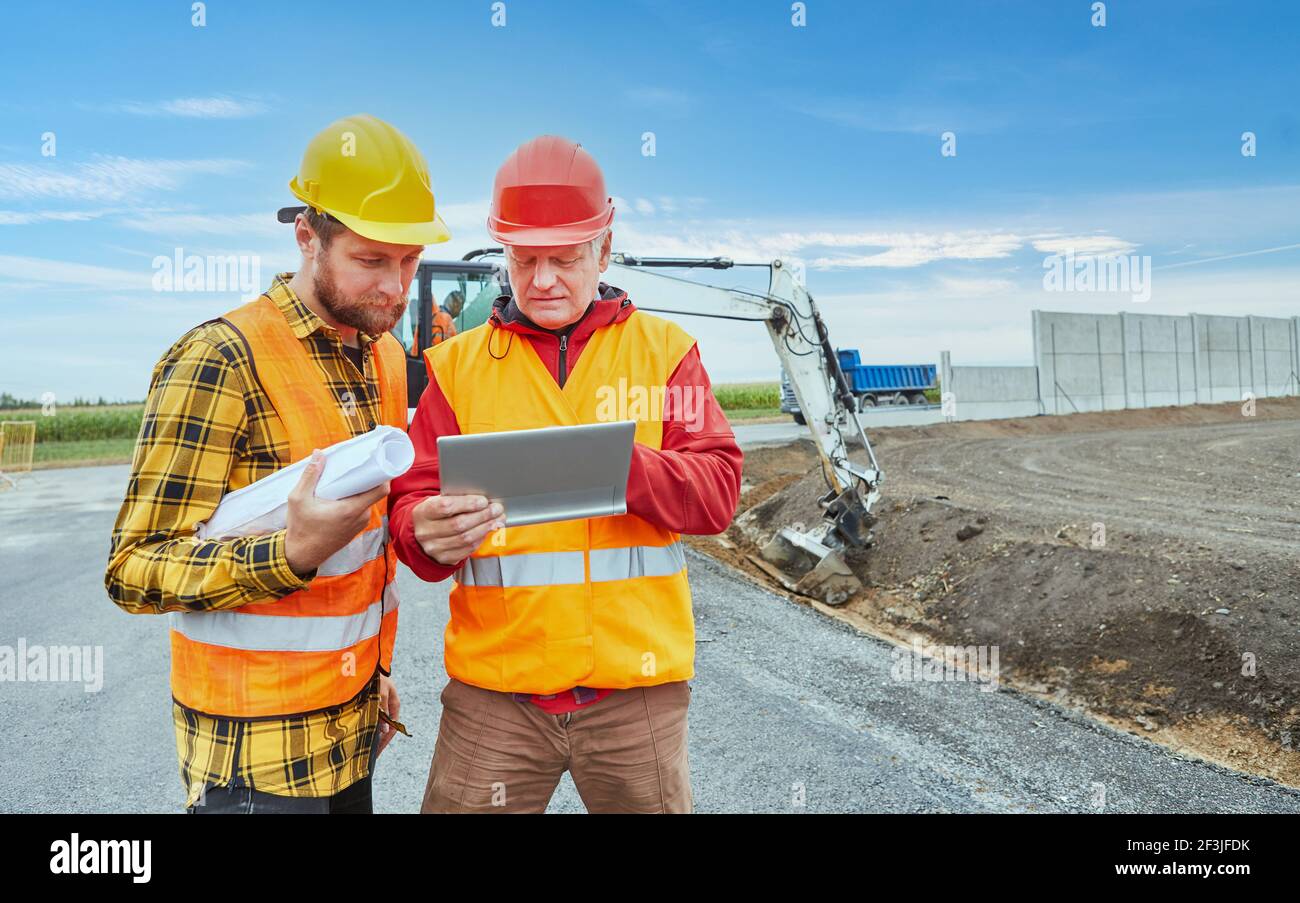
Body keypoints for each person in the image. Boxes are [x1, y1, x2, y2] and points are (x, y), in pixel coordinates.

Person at [104, 113, 450, 813]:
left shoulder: (379, 352)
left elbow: (363, 562)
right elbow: (132, 569)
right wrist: (289, 552)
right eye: (371, 260)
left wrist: (373, 672)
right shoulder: (219, 359)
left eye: (409, 261)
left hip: (351, 729)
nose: (395, 286)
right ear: (307, 235)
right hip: (253, 760)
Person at [388, 135, 743, 813]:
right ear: (504, 256)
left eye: (565, 258)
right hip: (497, 698)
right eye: (525, 260)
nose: (544, 279)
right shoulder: (457, 368)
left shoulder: (665, 354)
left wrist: (615, 465)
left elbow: (718, 491)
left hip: (635, 697)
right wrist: (422, 531)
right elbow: (411, 509)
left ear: (604, 251)